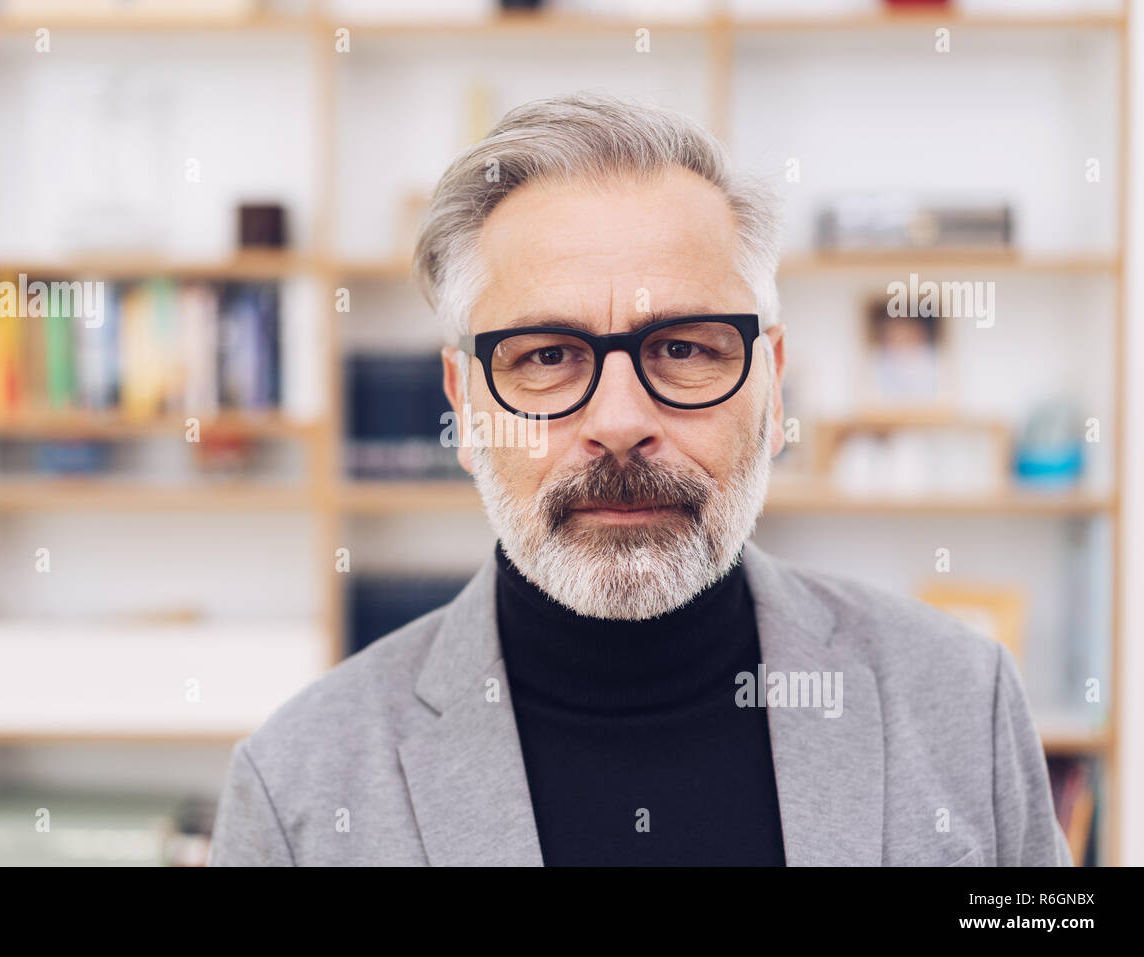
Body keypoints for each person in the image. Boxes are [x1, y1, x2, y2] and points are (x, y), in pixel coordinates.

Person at [208, 91, 1071, 867]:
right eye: (547, 355)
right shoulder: (297, 792)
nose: (619, 420)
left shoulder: (967, 704)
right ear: (465, 407)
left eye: (684, 348)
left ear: (771, 384)